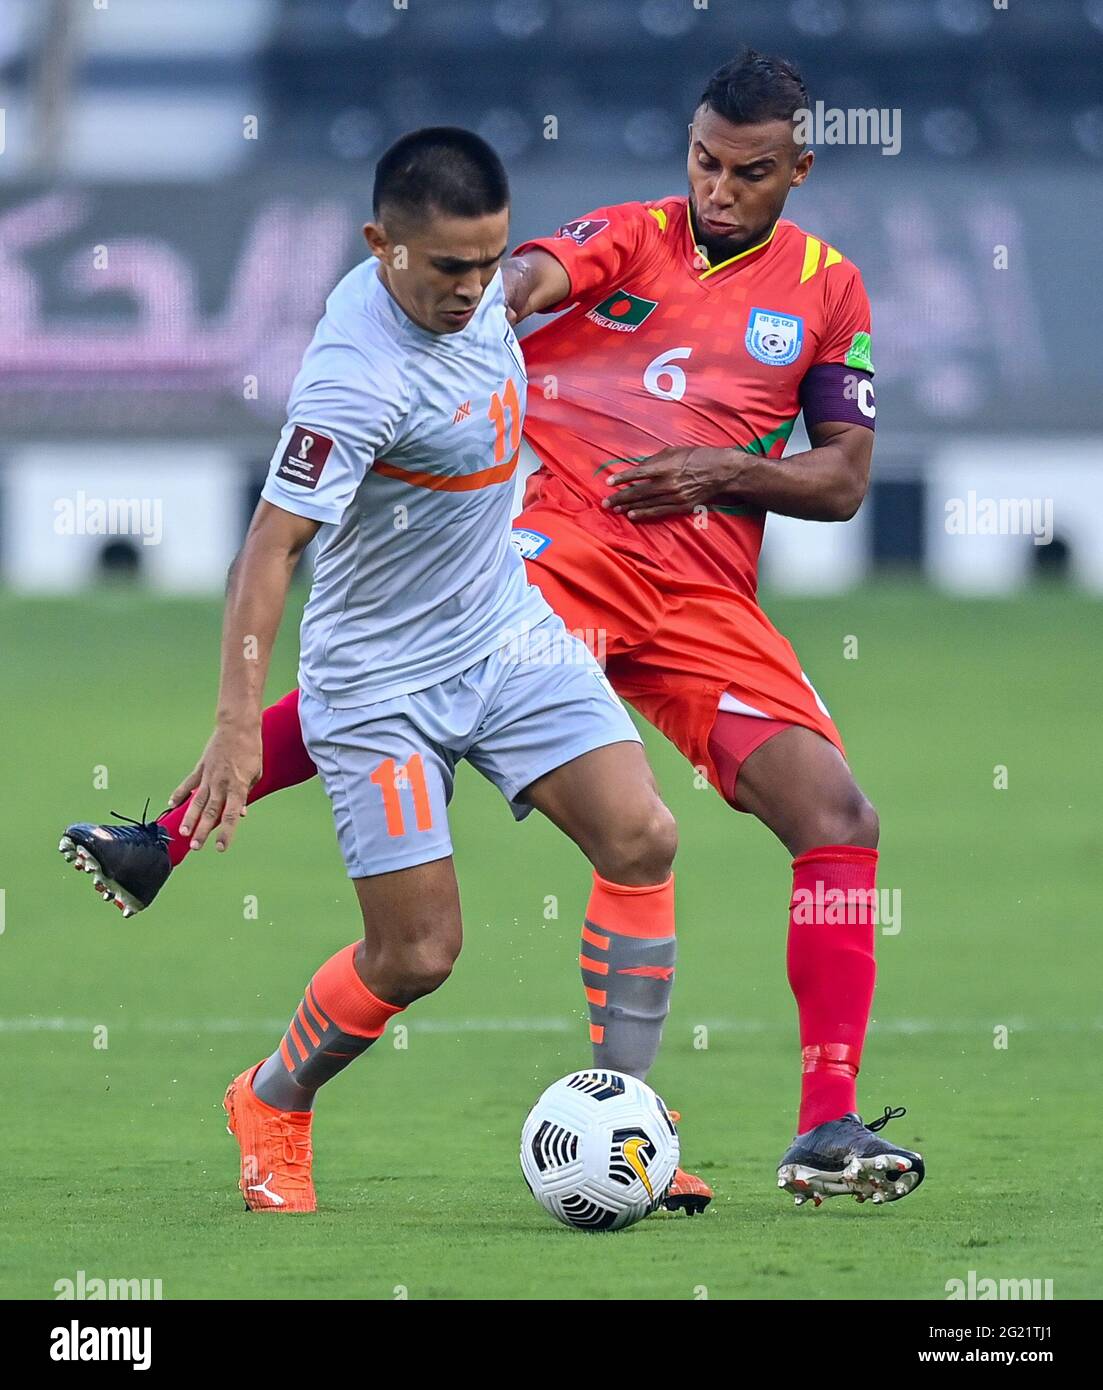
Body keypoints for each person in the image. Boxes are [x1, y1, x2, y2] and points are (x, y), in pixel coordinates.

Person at [63, 51, 923, 1207]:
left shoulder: (827, 289)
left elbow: (842, 480)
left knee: (818, 817)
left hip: (690, 595)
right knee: (419, 921)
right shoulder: (600, 246)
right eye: (703, 162)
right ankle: (189, 878)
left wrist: (718, 469)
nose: (717, 189)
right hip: (554, 543)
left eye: (748, 172)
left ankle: (800, 1121)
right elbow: (520, 279)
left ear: (798, 171)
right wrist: (493, 293)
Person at [63, 126, 711, 1216]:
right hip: (378, 684)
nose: (474, 289)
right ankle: (271, 1098)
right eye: (449, 267)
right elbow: (267, 549)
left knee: (642, 836)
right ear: (381, 246)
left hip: (504, 632)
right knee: (417, 952)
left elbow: (552, 271)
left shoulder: (490, 289)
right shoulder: (354, 381)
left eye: (487, 260)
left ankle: (628, 1120)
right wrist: (234, 722)